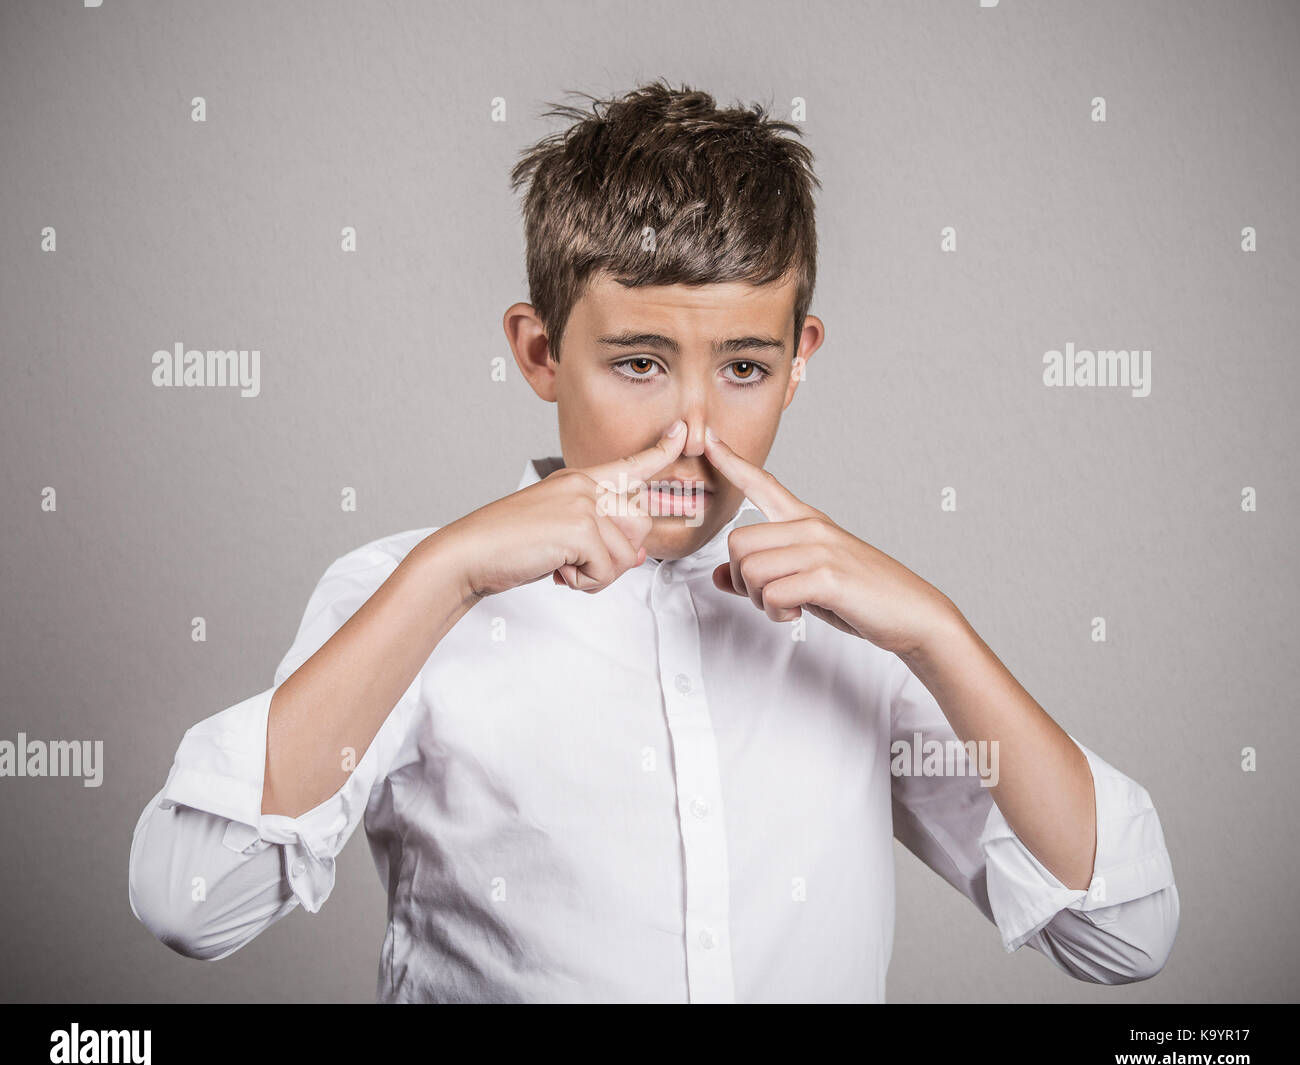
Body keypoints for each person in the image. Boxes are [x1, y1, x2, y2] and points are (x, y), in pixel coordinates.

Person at [128, 79, 1179, 1002]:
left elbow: (1123, 934)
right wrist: (445, 574)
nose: (693, 431)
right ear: (540, 352)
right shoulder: (408, 594)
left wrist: (940, 637)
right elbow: (192, 901)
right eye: (638, 363)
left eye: (744, 367)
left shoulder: (862, 631)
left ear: (799, 359)